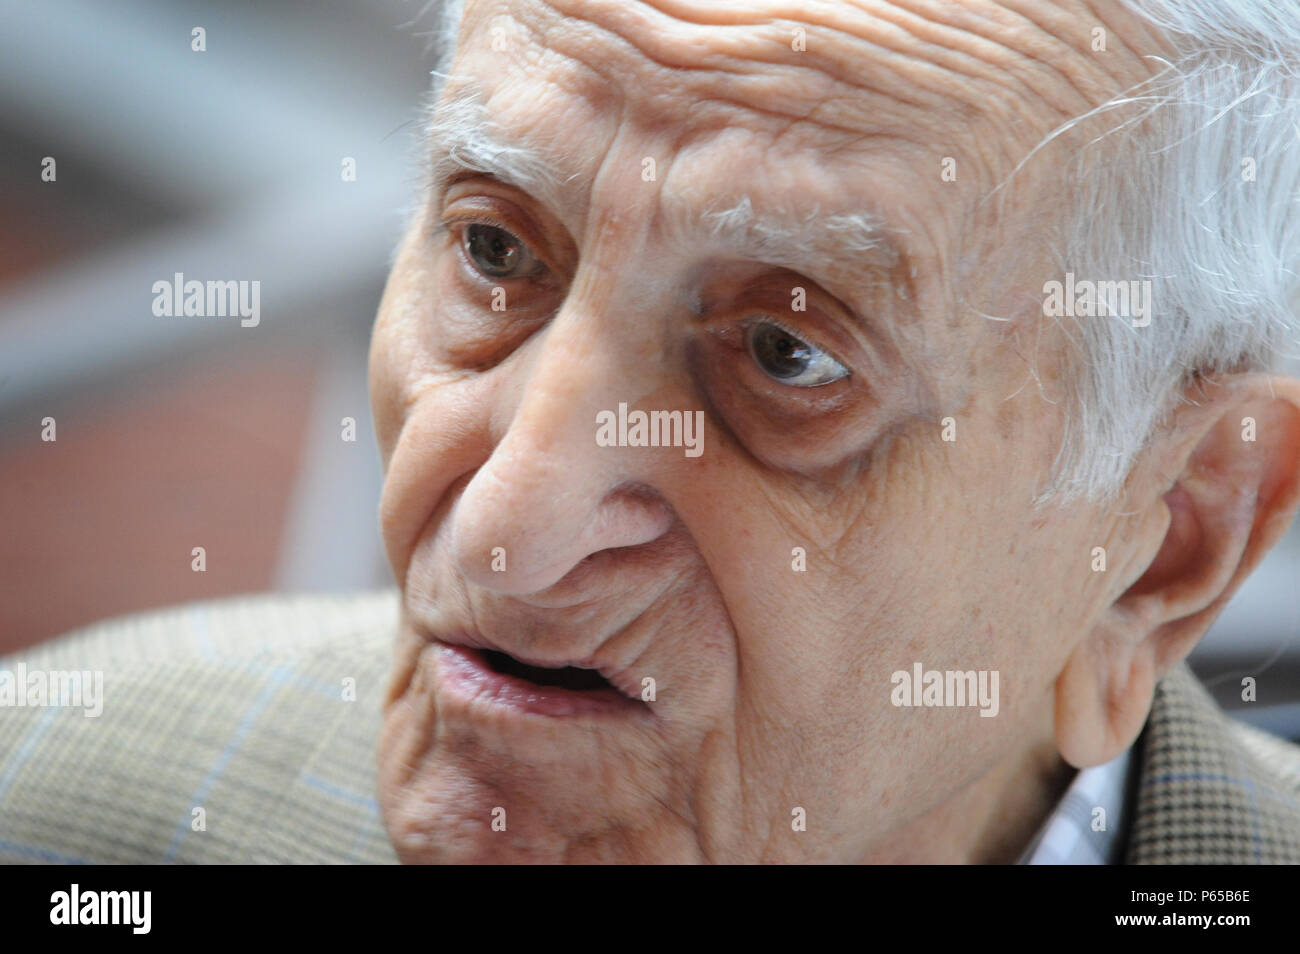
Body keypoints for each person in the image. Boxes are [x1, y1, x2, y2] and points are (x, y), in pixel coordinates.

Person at [3, 0, 1300, 864]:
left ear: (1167, 538)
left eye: (789, 354)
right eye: (496, 246)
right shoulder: (61, 800)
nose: (508, 529)